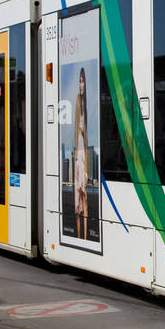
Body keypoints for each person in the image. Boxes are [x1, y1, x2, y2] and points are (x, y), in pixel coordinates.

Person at [73, 68, 89, 241]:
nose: (81, 84)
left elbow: (85, 136)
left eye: (83, 80)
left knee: (84, 200)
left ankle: (84, 238)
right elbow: (77, 132)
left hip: (83, 156)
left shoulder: (86, 104)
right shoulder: (77, 102)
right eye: (79, 80)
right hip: (78, 155)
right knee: (77, 203)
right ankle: (78, 237)